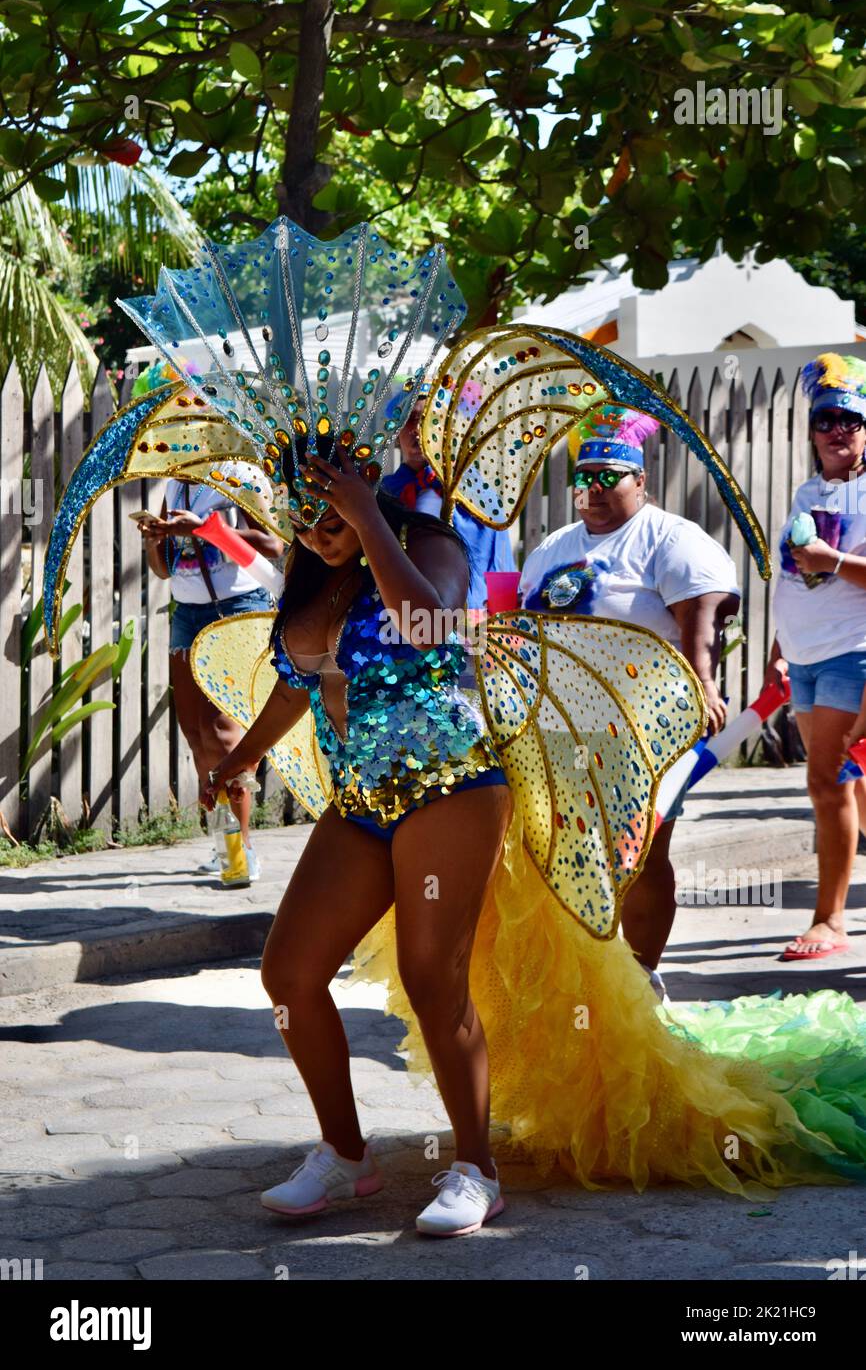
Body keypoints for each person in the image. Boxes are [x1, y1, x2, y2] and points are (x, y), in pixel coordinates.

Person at [53, 224, 866, 1236]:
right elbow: (299, 686)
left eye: (331, 507)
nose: (317, 527)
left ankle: (472, 1166)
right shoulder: (314, 577)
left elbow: (418, 618)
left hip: (453, 789)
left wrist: (373, 514)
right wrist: (241, 762)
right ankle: (342, 1154)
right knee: (288, 973)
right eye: (304, 513)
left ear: (363, 491)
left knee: (439, 981)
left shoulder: (425, 545)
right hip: (364, 801)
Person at [518, 404, 740, 1000]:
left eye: (607, 476)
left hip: (643, 726)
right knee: (568, 851)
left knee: (639, 852)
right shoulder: (552, 548)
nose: (591, 489)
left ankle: (641, 977)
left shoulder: (671, 537)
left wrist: (705, 684)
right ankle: (582, 974)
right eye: (582, 477)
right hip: (559, 726)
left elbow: (702, 614)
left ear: (639, 480)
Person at [132, 367, 285, 877]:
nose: (183, 430)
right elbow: (162, 570)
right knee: (197, 732)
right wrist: (158, 539)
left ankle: (240, 854)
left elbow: (275, 546)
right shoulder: (173, 485)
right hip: (187, 612)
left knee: (224, 731)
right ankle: (224, 841)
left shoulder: (240, 475)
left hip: (236, 609)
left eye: (193, 416)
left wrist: (209, 529)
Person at [764, 352, 866, 961]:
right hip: (803, 657)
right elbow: (795, 578)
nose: (836, 431)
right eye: (825, 419)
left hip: (851, 655)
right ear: (810, 430)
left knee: (827, 783)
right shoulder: (809, 490)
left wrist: (833, 563)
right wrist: (779, 650)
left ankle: (830, 920)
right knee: (850, 789)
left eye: (850, 421)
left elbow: (827, 569)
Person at [380, 384, 516, 611]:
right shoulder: (382, 496)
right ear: (397, 431)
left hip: (469, 627)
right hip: (398, 624)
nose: (418, 429)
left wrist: (507, 632)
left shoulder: (479, 497)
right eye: (410, 419)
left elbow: (501, 569)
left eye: (430, 419)